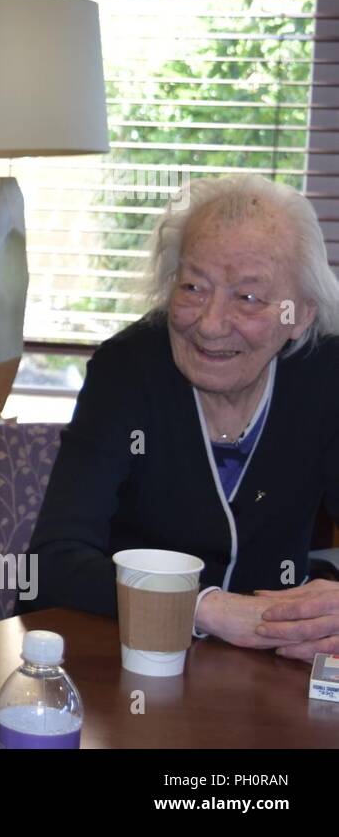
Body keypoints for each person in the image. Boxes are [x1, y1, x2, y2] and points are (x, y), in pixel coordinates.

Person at [22, 174, 339, 660]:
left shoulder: (326, 376)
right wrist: (205, 607)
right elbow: (51, 565)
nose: (210, 324)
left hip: (275, 672)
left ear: (301, 315)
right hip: (133, 657)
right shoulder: (127, 369)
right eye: (193, 286)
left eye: (248, 298)